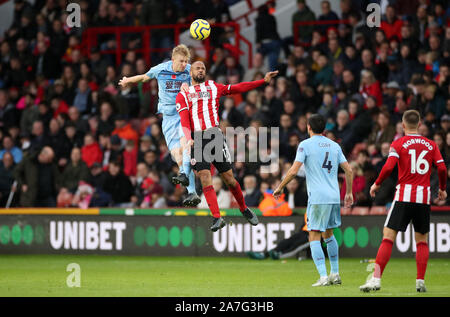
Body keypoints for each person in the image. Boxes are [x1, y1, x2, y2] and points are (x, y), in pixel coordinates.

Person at [176, 61, 278, 231]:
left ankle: (244, 208)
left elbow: (238, 87)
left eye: (203, 68)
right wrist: (188, 138)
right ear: (191, 72)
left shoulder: (213, 86)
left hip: (215, 135)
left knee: (229, 179)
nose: (201, 70)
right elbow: (184, 120)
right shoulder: (184, 94)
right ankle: (217, 217)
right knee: (204, 175)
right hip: (197, 138)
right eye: (197, 68)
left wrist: (263, 81)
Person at [360, 110, 447, 293]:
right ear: (420, 124)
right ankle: (420, 281)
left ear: (404, 124)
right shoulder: (431, 145)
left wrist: (376, 184)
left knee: (388, 236)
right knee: (421, 240)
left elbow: (389, 166)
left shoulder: (399, 143)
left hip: (404, 197)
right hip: (423, 198)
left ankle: (375, 279)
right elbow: (441, 167)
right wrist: (442, 189)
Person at [273, 114, 354, 287]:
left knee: (314, 236)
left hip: (318, 197)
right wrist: (349, 192)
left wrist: (280, 187)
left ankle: (324, 277)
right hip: (334, 197)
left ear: (309, 127)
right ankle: (335, 273)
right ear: (324, 129)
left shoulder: (305, 145)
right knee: (329, 235)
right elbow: (349, 170)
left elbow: (294, 171)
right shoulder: (334, 145)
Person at [118, 44, 200, 207]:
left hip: (183, 113)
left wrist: (190, 90)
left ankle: (189, 187)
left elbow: (199, 87)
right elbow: (143, 77)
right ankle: (192, 192)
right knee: (178, 156)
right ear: (173, 59)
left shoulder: (190, 70)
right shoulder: (161, 69)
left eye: (186, 61)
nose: (184, 64)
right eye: (181, 61)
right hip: (168, 118)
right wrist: (128, 80)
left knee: (186, 145)